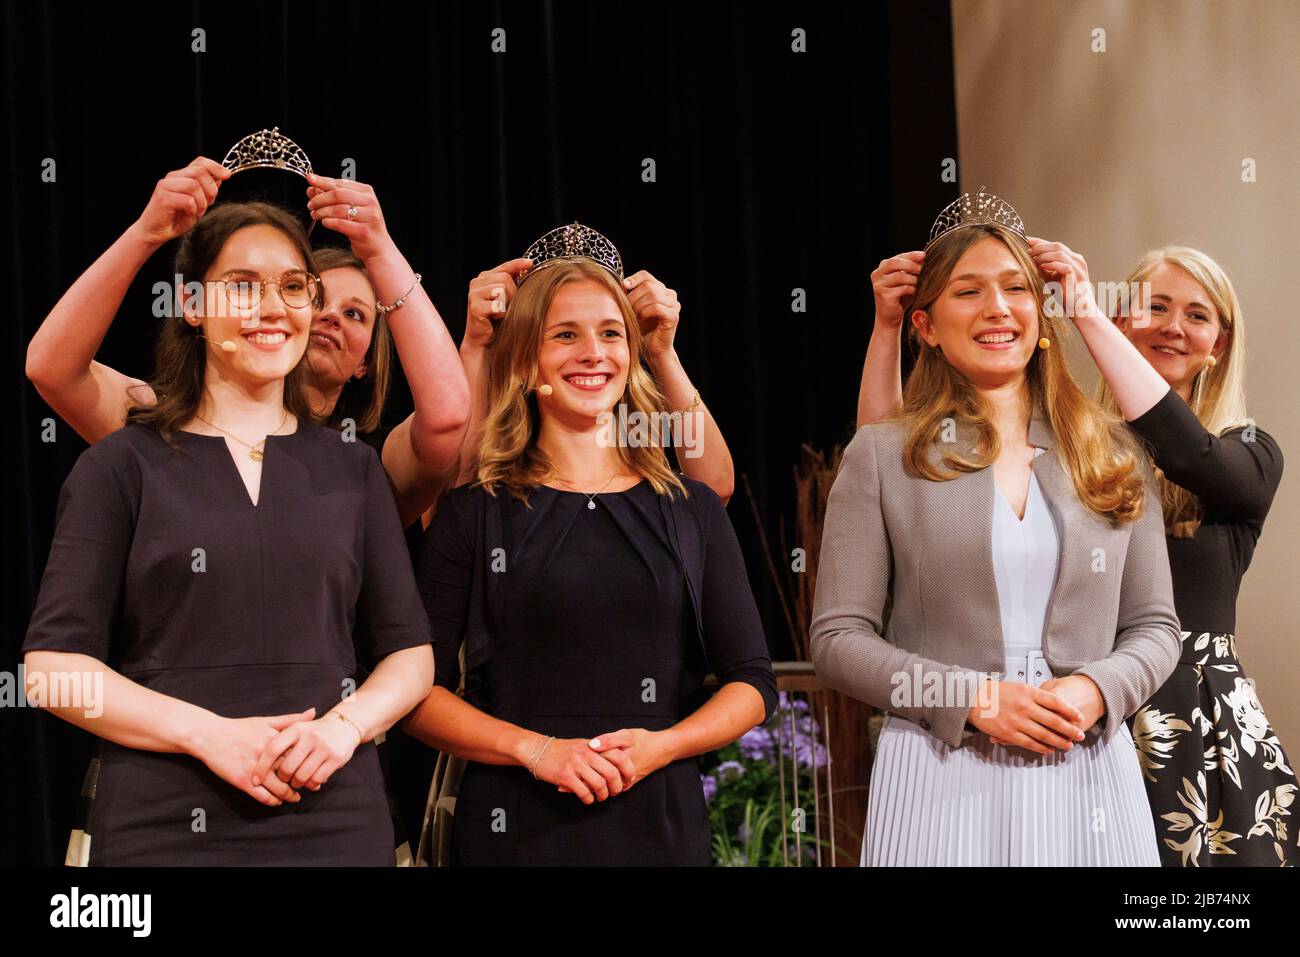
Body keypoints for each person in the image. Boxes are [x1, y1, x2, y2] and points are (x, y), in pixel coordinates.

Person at [22, 201, 434, 865]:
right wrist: (208, 734)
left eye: (294, 286)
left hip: (332, 811)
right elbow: (50, 670)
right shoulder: (123, 462)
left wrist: (343, 729)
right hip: (162, 822)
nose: (274, 307)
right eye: (243, 285)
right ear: (192, 304)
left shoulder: (353, 467)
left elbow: (412, 655)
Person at [814, 192, 1181, 865]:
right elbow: (837, 639)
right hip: (939, 769)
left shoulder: (1114, 448)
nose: (997, 308)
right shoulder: (881, 454)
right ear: (924, 324)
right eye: (968, 291)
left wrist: (1096, 688)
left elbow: (1157, 626)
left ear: (1042, 311)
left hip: (1087, 768)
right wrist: (971, 697)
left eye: (1016, 287)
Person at [402, 235, 777, 865]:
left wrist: (665, 745)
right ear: (524, 362)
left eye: (611, 334)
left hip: (662, 825)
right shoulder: (475, 511)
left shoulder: (691, 508)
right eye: (565, 335)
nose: (593, 353)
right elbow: (416, 694)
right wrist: (536, 750)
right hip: (514, 831)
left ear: (633, 357)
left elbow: (754, 682)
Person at [1024, 238, 1294, 866]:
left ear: (1219, 343)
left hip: (1200, 726)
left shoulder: (1252, 451)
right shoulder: (1065, 453)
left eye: (1198, 315)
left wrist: (1084, 314)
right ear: (1125, 322)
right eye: (1154, 307)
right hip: (1083, 706)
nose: (1174, 327)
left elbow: (1185, 452)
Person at [25, 157, 469, 529]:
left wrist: (380, 249)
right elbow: (52, 367)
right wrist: (145, 234)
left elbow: (449, 414)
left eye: (355, 314)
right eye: (310, 297)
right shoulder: (168, 426)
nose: (328, 315)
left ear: (366, 364)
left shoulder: (367, 468)